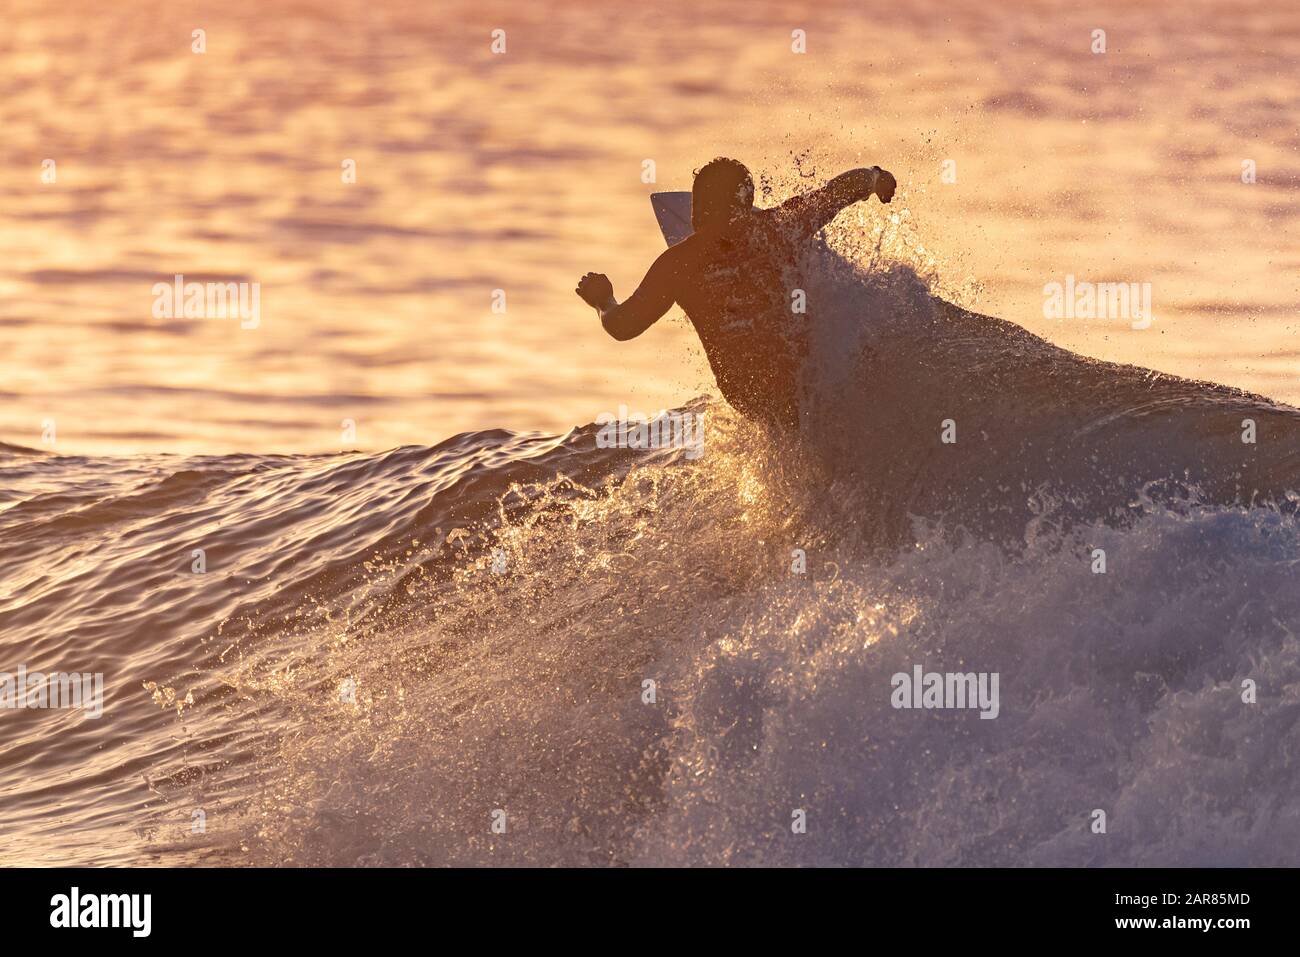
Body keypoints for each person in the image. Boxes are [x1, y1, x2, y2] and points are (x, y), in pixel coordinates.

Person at [576, 158, 896, 427]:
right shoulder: (778, 228)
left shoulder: (678, 265)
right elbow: (836, 192)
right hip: (805, 385)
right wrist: (876, 178)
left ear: (698, 207)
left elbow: (621, 326)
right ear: (745, 203)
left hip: (751, 401)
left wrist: (602, 300)